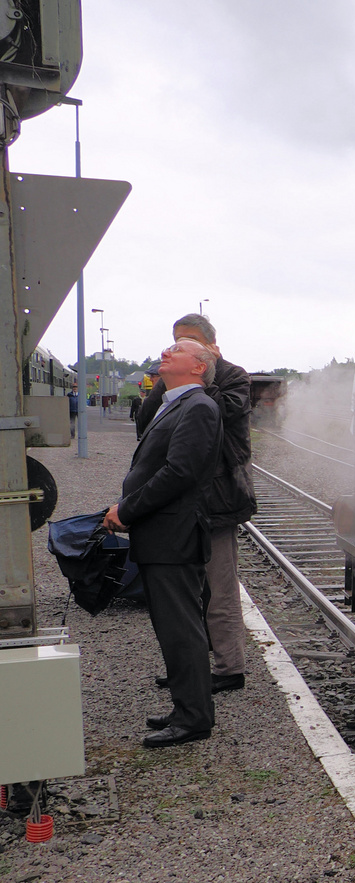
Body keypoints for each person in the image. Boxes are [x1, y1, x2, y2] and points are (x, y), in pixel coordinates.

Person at [105, 338, 224, 747]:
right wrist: (126, 504)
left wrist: (128, 509)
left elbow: (179, 473)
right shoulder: (177, 403)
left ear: (199, 367)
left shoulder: (199, 407)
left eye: (179, 349)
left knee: (181, 629)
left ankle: (194, 719)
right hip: (162, 533)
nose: (167, 352)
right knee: (171, 627)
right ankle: (185, 707)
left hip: (173, 534)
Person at [139, 313, 254, 694]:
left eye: (185, 342)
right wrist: (166, 382)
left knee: (219, 589)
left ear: (208, 346)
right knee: (185, 592)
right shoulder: (172, 380)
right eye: (173, 341)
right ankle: (190, 665)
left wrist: (211, 372)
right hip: (183, 500)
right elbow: (146, 421)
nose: (174, 348)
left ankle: (228, 668)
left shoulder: (233, 376)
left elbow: (219, 414)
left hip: (218, 497)